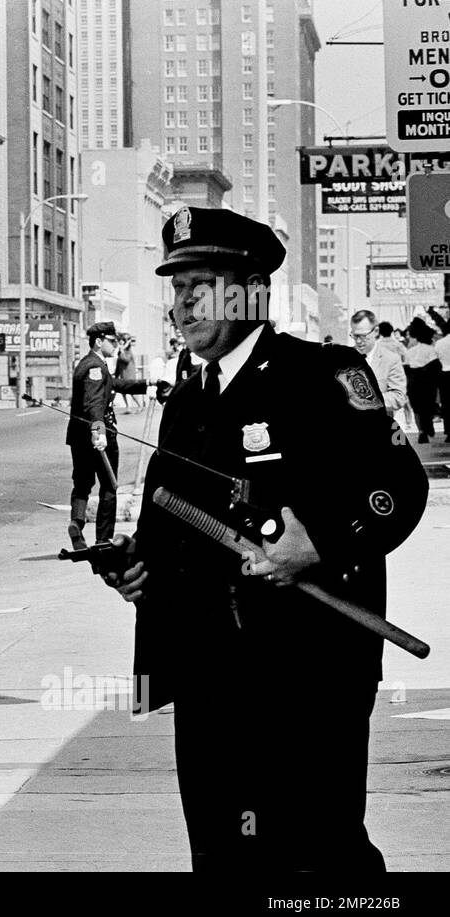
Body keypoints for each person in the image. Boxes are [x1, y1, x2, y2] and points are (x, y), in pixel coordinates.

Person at [106, 206, 428, 871]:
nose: (183, 301)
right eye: (176, 284)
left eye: (201, 282)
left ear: (251, 292)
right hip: (207, 676)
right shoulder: (187, 400)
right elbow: (171, 526)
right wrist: (139, 566)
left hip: (310, 671)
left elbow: (398, 488)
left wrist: (323, 541)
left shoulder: (327, 374)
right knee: (224, 855)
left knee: (321, 853)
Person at [66, 321, 150, 549]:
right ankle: (103, 538)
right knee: (109, 486)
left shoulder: (90, 363)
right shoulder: (95, 366)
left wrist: (148, 384)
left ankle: (76, 522)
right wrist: (99, 431)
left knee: (82, 483)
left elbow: (114, 385)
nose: (115, 345)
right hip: (98, 437)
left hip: (78, 437)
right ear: (99, 341)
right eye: (111, 341)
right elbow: (93, 403)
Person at [350, 310, 407, 418]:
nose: (358, 341)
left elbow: (399, 396)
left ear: (376, 331)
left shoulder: (391, 359)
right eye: (355, 336)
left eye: (363, 336)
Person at [404, 317, 442, 444]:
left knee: (417, 409)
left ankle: (421, 431)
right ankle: (427, 427)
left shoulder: (409, 352)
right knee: (427, 406)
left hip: (413, 382)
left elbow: (406, 368)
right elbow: (436, 366)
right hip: (427, 383)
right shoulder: (431, 350)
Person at [436, 318, 450, 442]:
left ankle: (449, 430)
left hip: (444, 375)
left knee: (446, 403)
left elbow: (437, 359)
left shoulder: (439, 343)